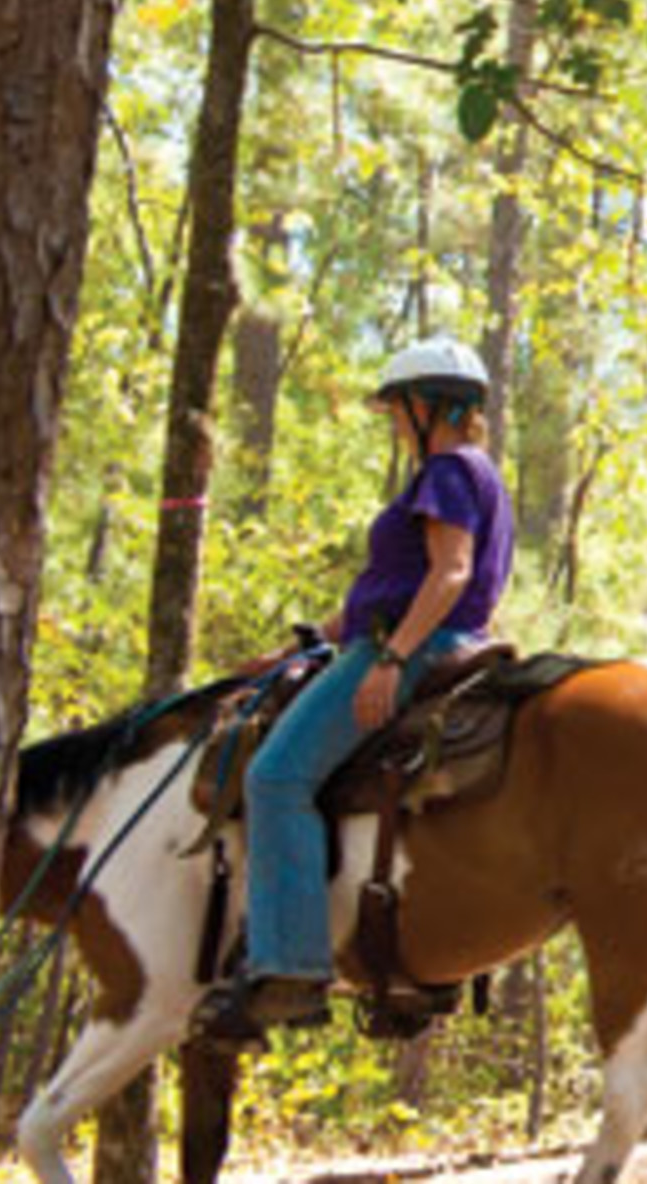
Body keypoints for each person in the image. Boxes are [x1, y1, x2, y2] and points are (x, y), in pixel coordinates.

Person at [197, 335, 519, 1040]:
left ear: (430, 405)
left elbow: (450, 573)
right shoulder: (475, 472)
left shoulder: (446, 470)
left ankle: (289, 967)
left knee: (276, 777)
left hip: (411, 643)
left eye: (398, 410)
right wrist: (295, 648)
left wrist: (391, 659)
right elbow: (385, 590)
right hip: (405, 635)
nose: (394, 423)